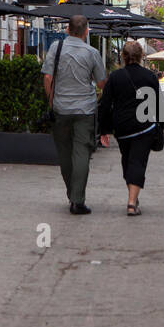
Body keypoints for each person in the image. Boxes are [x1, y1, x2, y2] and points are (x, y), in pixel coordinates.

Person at [97, 39, 164, 215]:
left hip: (122, 128)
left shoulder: (115, 77)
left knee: (127, 162)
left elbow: (104, 105)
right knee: (137, 162)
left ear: (123, 56)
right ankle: (132, 202)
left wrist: (103, 130)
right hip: (144, 126)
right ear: (142, 56)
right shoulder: (149, 77)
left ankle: (132, 198)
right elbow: (158, 105)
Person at [42, 15, 107, 214]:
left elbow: (47, 77)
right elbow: (102, 83)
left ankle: (73, 193)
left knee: (64, 153)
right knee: (81, 153)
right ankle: (77, 200)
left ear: (68, 30)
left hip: (61, 108)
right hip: (85, 110)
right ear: (86, 31)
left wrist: (51, 102)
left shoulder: (56, 48)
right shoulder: (92, 53)